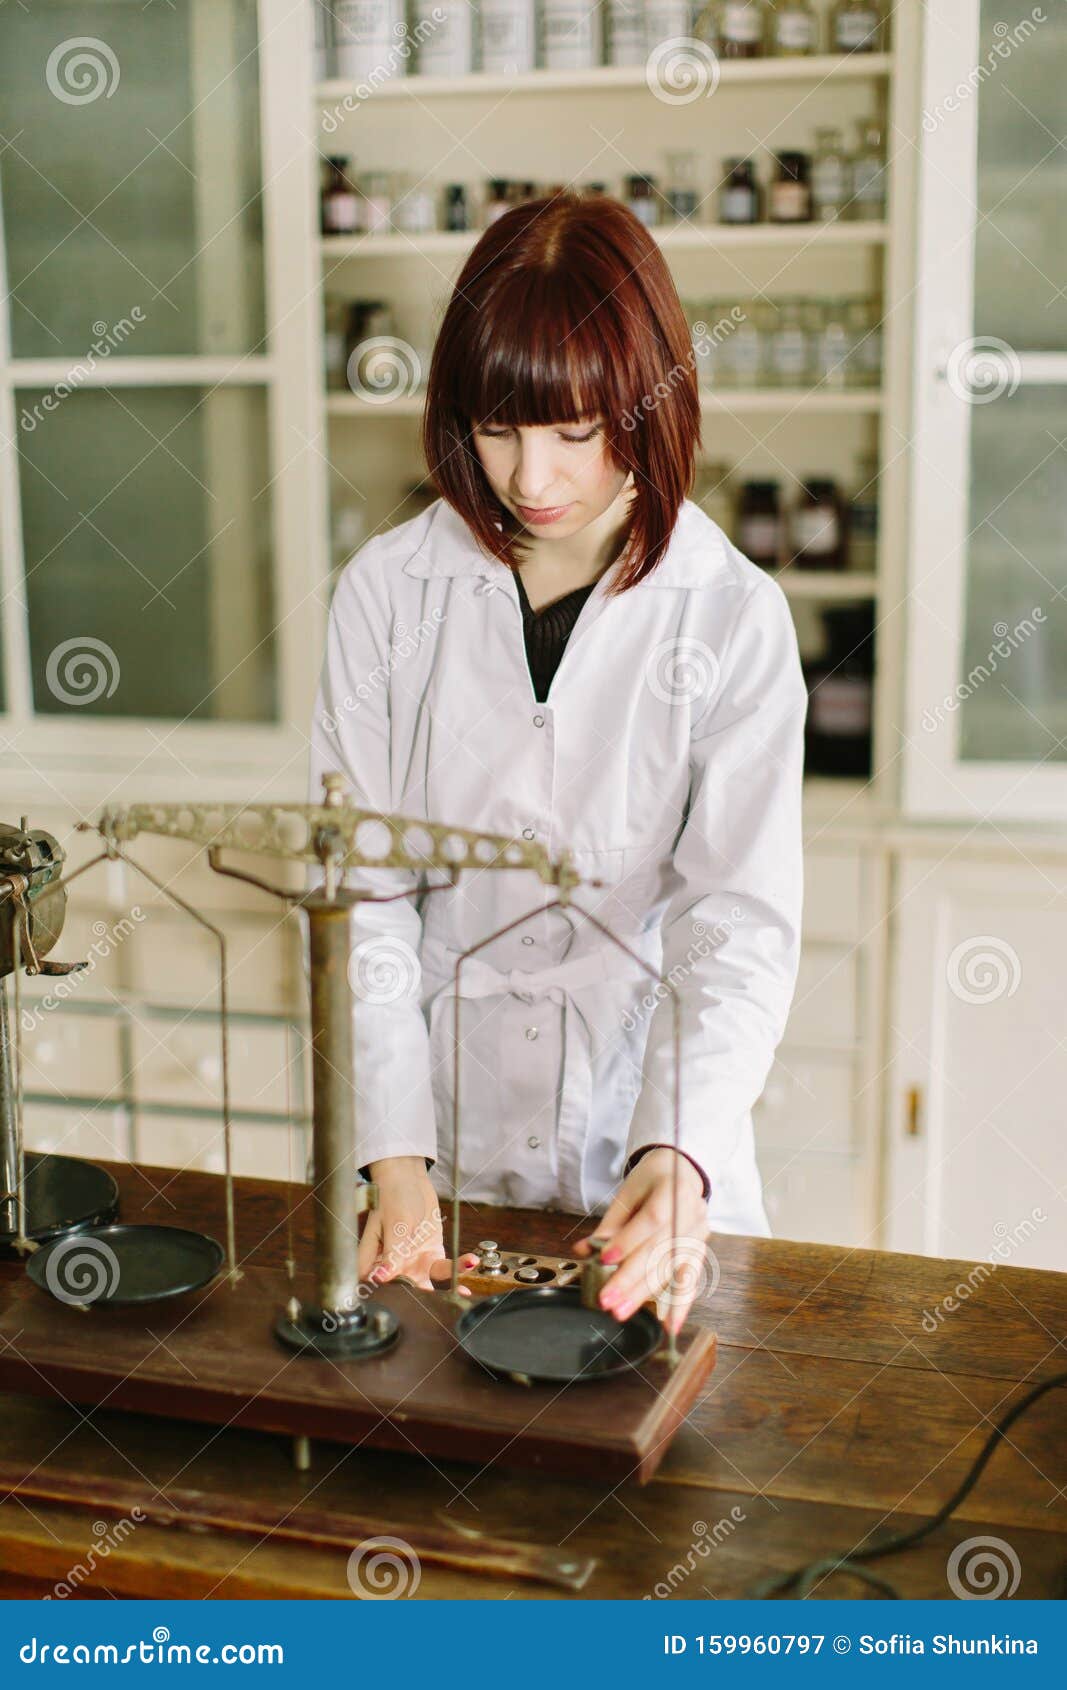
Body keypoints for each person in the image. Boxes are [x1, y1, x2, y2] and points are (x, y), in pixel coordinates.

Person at [308, 190, 807, 1334]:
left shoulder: (728, 616)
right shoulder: (389, 595)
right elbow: (364, 897)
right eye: (496, 428)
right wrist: (393, 1159)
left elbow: (733, 926)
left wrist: (677, 1147)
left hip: (641, 1148)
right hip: (433, 1150)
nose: (530, 477)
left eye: (575, 432)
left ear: (649, 406)